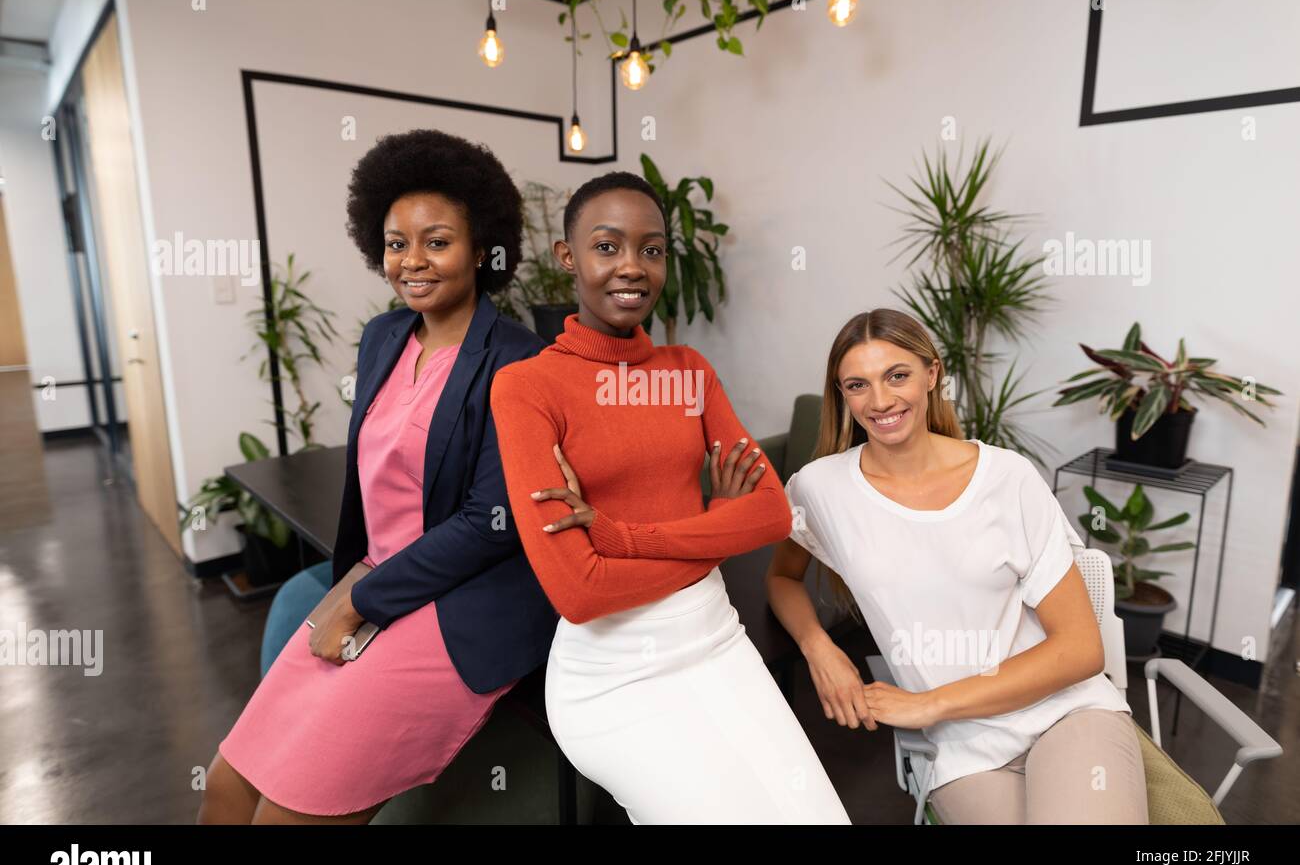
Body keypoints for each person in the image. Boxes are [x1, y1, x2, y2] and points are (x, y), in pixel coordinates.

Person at [198, 129, 557, 824]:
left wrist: (359, 598)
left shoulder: (518, 360)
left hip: (460, 605)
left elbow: (492, 524)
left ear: (482, 248)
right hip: (374, 575)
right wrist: (354, 583)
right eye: (396, 243)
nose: (412, 261)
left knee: (283, 812)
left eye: (437, 241)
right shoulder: (384, 337)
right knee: (224, 785)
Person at [488, 171, 851, 824]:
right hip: (614, 671)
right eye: (607, 246)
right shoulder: (527, 387)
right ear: (567, 257)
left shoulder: (688, 371)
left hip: (716, 637)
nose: (632, 267)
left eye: (651, 250)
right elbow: (582, 591)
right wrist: (716, 528)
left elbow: (772, 514)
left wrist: (624, 537)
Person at [768, 308, 1148, 824]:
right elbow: (782, 577)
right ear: (842, 395)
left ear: (932, 374)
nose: (879, 401)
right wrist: (820, 649)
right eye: (858, 385)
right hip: (963, 749)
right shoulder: (819, 488)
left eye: (897, 375)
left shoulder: (1008, 478)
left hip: (1066, 713)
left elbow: (1081, 649)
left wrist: (930, 704)